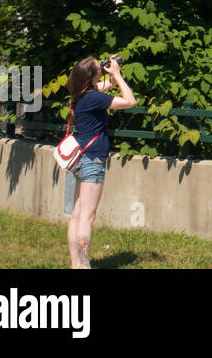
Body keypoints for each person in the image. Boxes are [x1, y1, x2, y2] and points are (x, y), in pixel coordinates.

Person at [65, 55, 135, 269]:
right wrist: (117, 74)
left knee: (77, 215)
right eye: (98, 67)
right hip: (92, 160)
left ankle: (76, 265)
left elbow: (105, 86)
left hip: (81, 158)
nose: (101, 68)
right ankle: (84, 266)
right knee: (87, 217)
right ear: (91, 75)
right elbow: (130, 101)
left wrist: (111, 72)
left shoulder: (81, 95)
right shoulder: (94, 98)